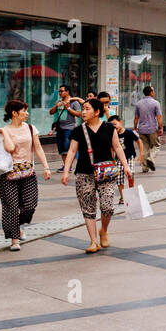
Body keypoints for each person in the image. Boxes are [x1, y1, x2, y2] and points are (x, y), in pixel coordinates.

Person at [61, 98, 131, 253]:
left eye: (87, 109)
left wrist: (125, 166)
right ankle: (93, 242)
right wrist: (66, 172)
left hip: (106, 173)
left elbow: (118, 147)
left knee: (108, 207)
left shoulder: (109, 128)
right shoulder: (78, 130)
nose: (83, 112)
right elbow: (72, 152)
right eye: (83, 109)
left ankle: (103, 230)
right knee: (88, 208)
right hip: (84, 174)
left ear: (97, 112)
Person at [0, 99, 51, 251]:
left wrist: (46, 167)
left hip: (28, 173)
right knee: (12, 207)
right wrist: (5, 132)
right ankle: (15, 240)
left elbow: (38, 149)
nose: (27, 114)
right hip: (9, 174)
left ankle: (15, 225)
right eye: (24, 111)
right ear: (14, 113)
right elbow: (9, 148)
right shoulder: (5, 130)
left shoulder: (31, 128)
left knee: (30, 206)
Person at [109, 116, 138, 206]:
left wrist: (141, 155)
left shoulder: (129, 132)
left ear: (120, 122)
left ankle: (131, 193)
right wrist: (112, 159)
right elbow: (112, 148)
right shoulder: (113, 134)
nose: (114, 127)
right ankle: (122, 197)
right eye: (112, 126)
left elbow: (139, 141)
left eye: (115, 124)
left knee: (130, 174)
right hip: (118, 159)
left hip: (130, 157)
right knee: (119, 179)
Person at [133, 85, 162, 172]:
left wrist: (135, 128)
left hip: (141, 129)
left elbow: (136, 118)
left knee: (145, 147)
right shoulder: (156, 103)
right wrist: (161, 127)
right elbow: (159, 117)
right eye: (153, 91)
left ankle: (145, 168)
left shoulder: (138, 103)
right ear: (151, 92)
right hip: (152, 128)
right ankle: (151, 158)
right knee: (156, 146)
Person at [49, 85, 83, 157]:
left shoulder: (74, 102)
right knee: (61, 150)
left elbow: (79, 114)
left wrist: (68, 108)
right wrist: (56, 106)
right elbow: (51, 112)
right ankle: (66, 166)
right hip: (59, 128)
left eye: (61, 91)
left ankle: (69, 167)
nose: (60, 93)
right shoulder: (59, 101)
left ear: (67, 92)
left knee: (67, 149)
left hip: (69, 128)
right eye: (59, 91)